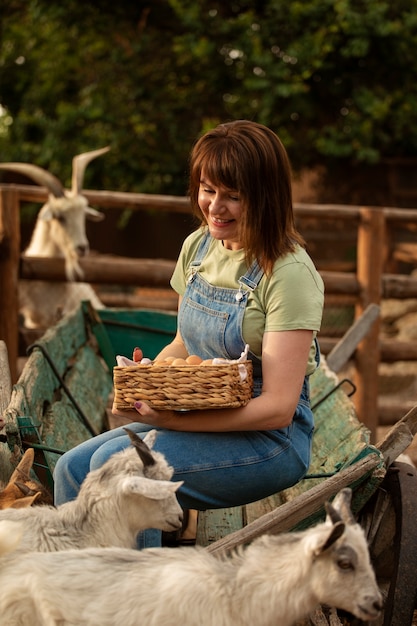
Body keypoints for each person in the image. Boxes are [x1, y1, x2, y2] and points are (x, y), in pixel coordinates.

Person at [53, 120, 324, 547]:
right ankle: (80, 597)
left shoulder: (289, 273)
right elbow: (183, 344)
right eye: (208, 189)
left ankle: (137, 606)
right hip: (196, 413)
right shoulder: (198, 247)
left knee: (126, 476)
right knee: (69, 469)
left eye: (234, 196)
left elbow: (277, 408)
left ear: (266, 197)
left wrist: (171, 418)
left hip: (269, 440)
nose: (215, 207)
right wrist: (152, 382)